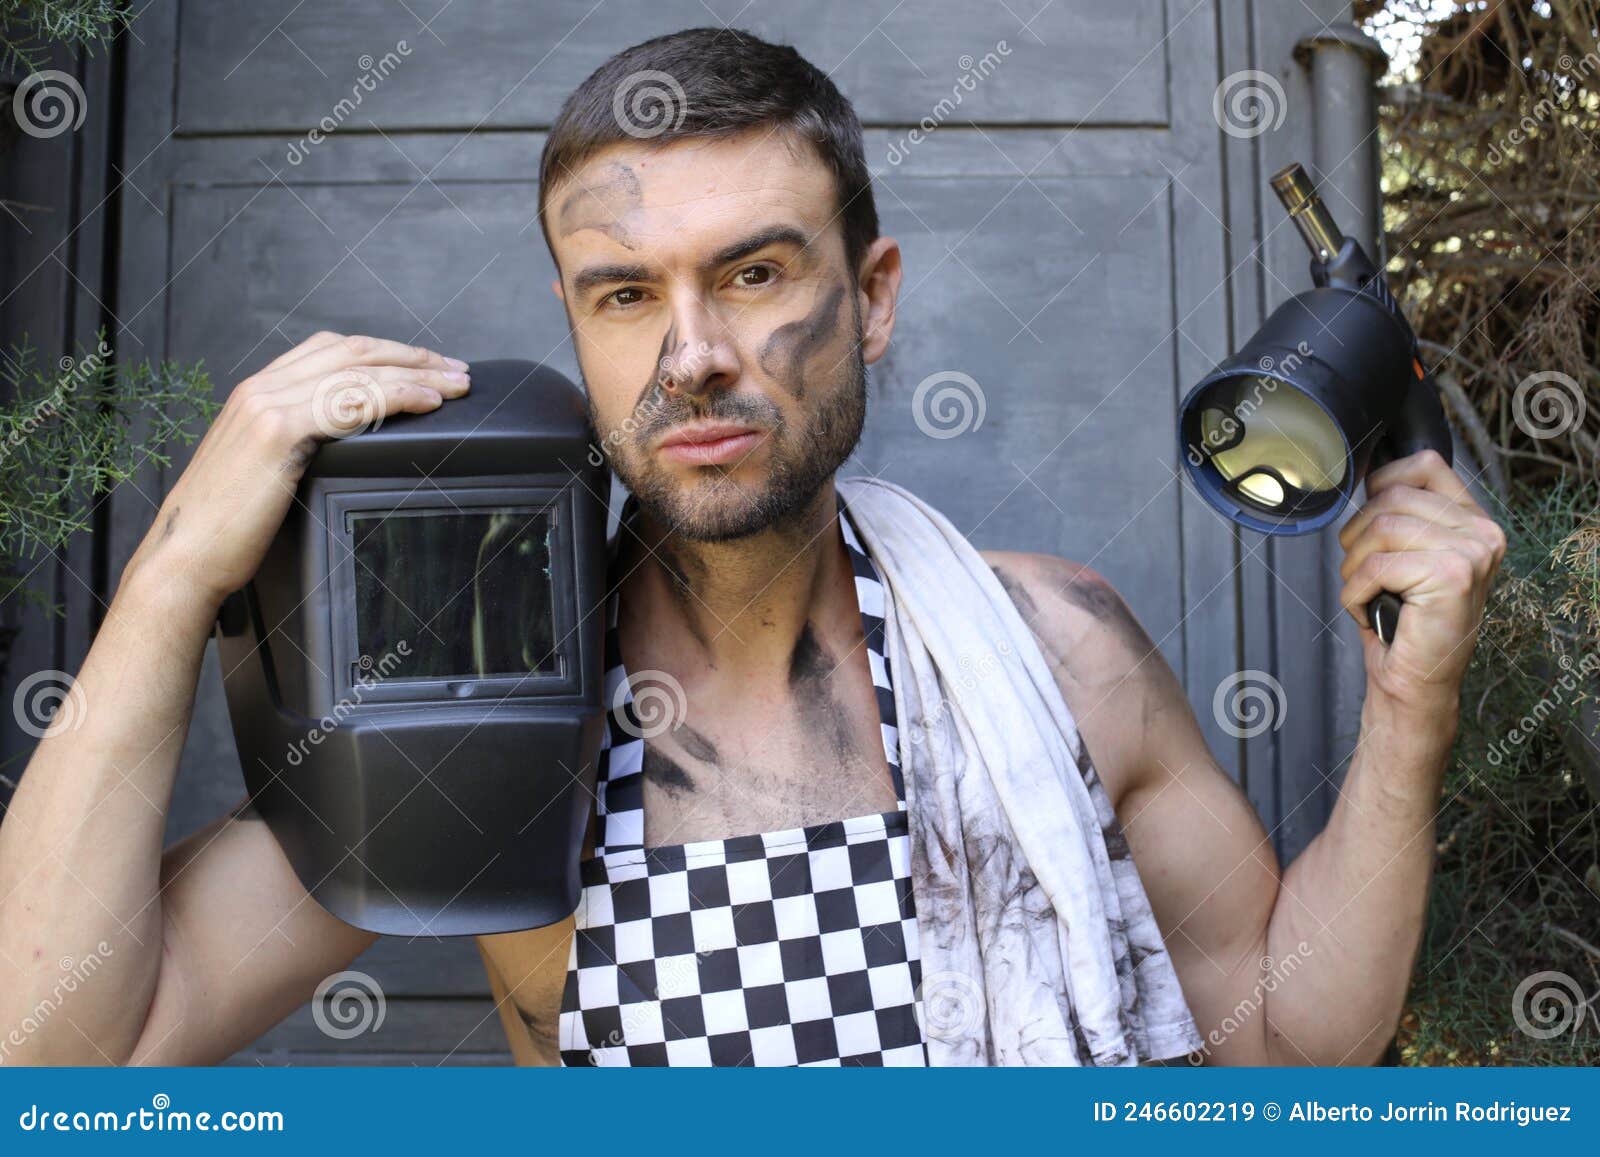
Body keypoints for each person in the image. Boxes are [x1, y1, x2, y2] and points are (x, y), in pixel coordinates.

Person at [0, 27, 1504, 1067]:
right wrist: (179, 566)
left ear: (872, 296)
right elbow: (55, 1053)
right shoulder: (476, 722)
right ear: (575, 322)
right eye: (624, 296)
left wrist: (1410, 709)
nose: (693, 355)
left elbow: (1290, 1039)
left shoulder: (1060, 652)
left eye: (756, 272)